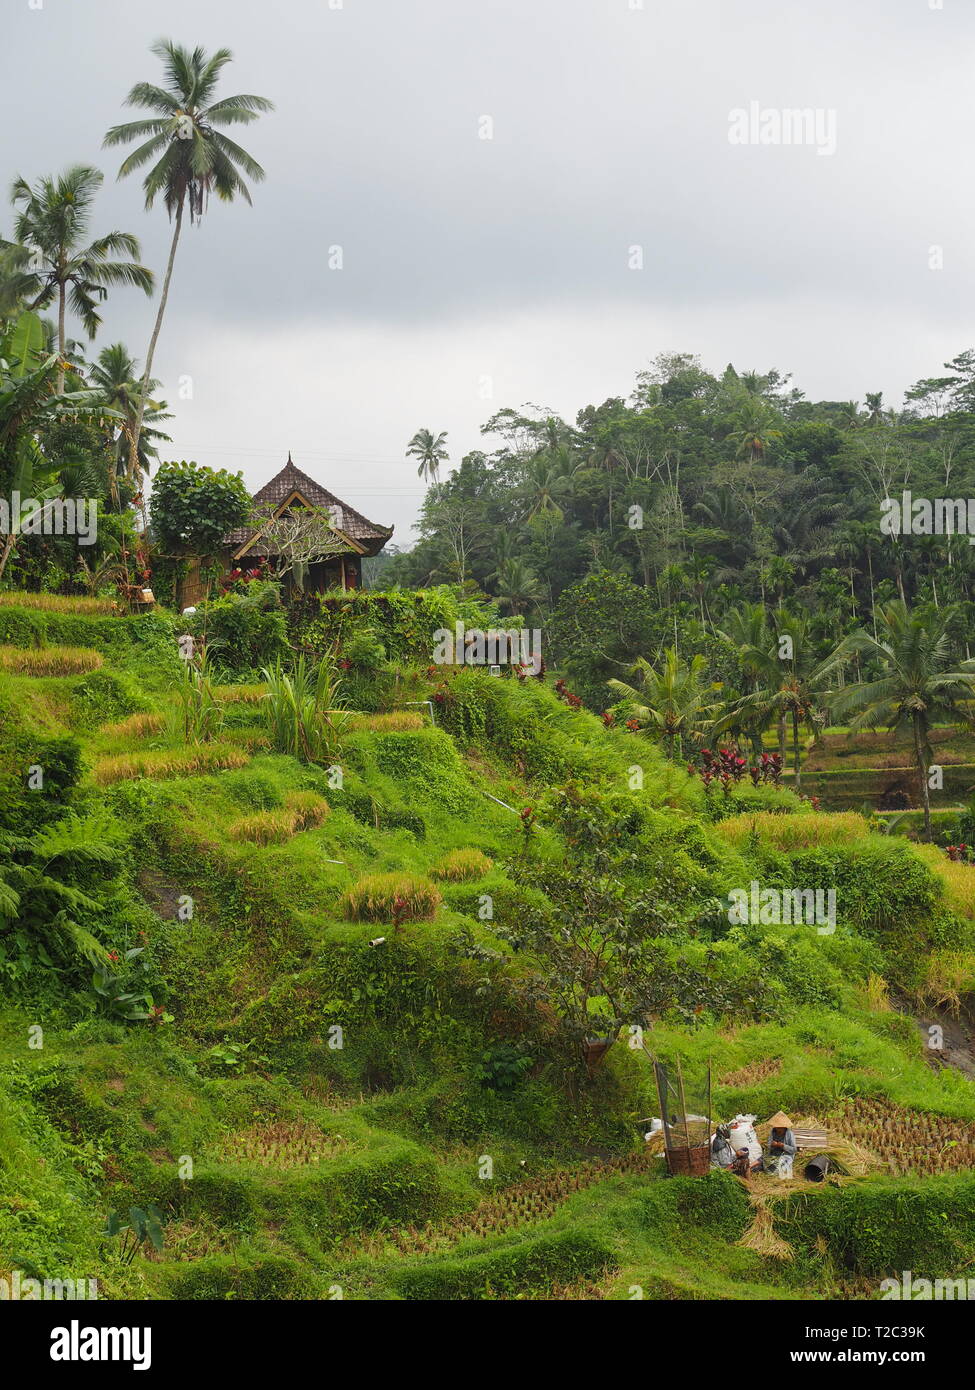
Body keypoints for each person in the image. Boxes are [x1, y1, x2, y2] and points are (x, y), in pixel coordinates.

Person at [765, 1110, 797, 1177]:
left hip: (785, 1155)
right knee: (766, 1163)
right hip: (773, 1155)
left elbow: (794, 1150)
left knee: (778, 1169)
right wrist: (771, 1144)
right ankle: (774, 1169)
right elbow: (768, 1144)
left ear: (784, 1127)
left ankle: (777, 1169)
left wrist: (783, 1146)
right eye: (777, 1127)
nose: (778, 1129)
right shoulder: (773, 1132)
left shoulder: (789, 1134)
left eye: (780, 1128)